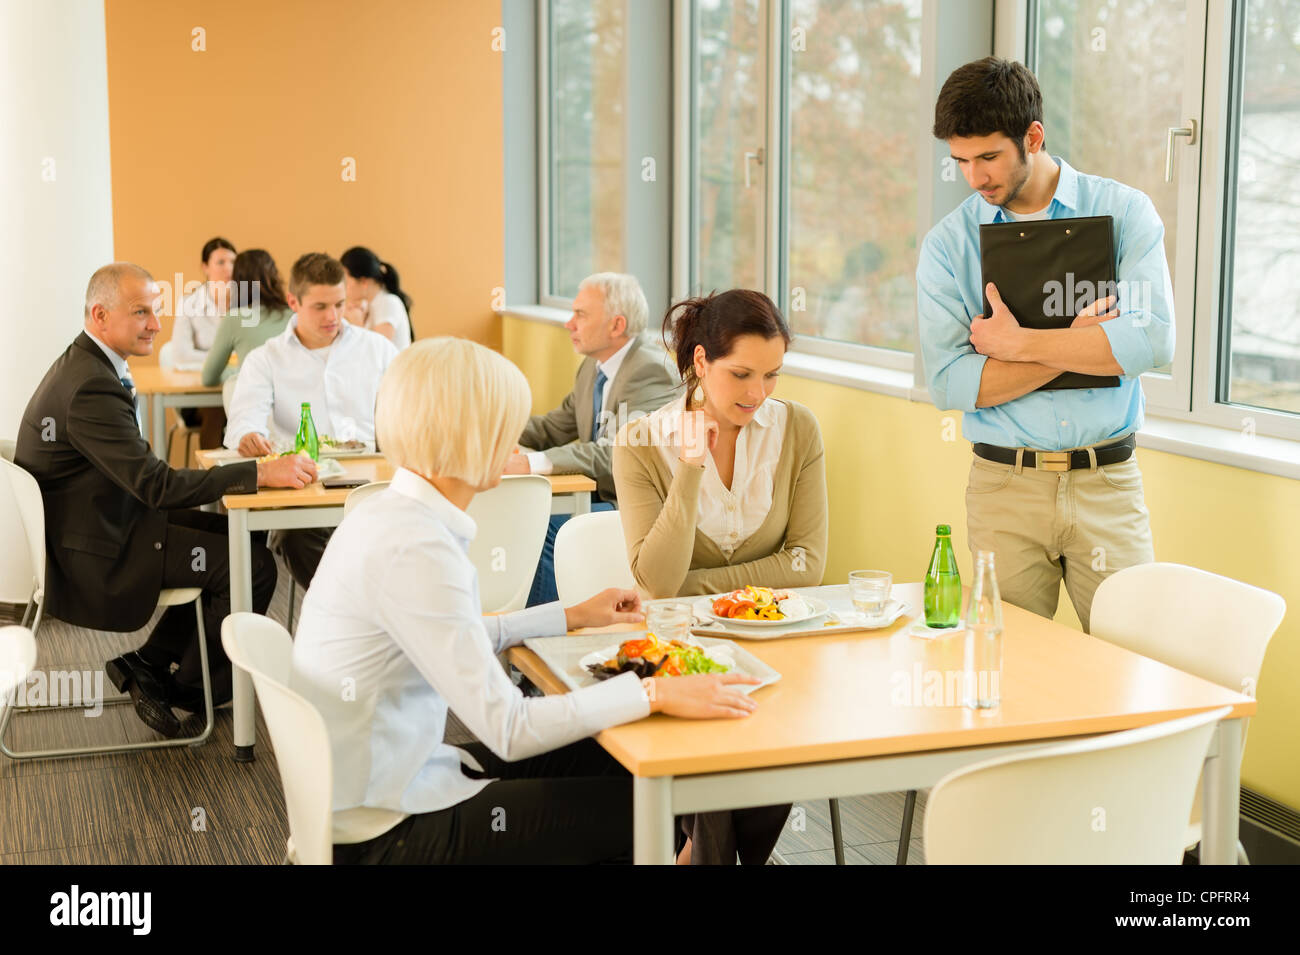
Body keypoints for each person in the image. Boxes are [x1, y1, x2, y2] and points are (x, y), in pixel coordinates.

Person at [292, 337, 761, 864]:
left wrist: (571, 614)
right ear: (472, 436)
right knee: (651, 804)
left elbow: (456, 634)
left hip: (379, 786)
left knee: (613, 757)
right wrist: (653, 693)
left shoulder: (389, 515)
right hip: (388, 833)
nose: (512, 439)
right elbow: (509, 729)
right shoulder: (417, 548)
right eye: (504, 425)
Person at [917, 57, 1173, 633]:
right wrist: (1079, 343)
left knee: (1131, 667)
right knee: (1003, 670)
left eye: (988, 157)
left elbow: (1151, 341)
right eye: (960, 161)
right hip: (1003, 489)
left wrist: (1014, 344)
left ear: (1032, 137)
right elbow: (952, 385)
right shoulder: (946, 246)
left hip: (1108, 482)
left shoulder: (1125, 214)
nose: (974, 178)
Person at [13, 263, 317, 737]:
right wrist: (258, 472)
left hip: (101, 528)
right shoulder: (90, 385)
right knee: (251, 567)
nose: (156, 323)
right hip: (95, 557)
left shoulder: (89, 365)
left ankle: (149, 666)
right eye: (141, 312)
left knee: (239, 549)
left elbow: (147, 481)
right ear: (100, 315)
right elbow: (154, 485)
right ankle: (186, 690)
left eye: (156, 309)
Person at [613, 289, 828, 864]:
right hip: (682, 650)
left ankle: (696, 858)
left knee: (776, 710)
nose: (757, 394)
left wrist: (700, 587)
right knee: (720, 711)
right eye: (741, 374)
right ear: (701, 361)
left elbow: (808, 564)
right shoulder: (640, 441)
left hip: (779, 649)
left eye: (772, 376)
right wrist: (688, 469)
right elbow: (658, 579)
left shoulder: (799, 430)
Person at [225, 252, 398, 591]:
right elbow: (246, 419)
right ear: (293, 301)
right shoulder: (266, 359)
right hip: (305, 492)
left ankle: (366, 619)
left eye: (339, 304)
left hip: (373, 488)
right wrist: (248, 435)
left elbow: (412, 412)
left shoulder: (378, 349)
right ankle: (353, 615)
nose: (333, 316)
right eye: (320, 307)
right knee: (293, 537)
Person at [506, 273, 681, 607]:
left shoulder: (650, 371)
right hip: (595, 495)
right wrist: (488, 429)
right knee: (519, 512)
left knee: (542, 523)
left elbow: (615, 454)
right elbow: (553, 428)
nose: (569, 324)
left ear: (616, 326)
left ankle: (545, 634)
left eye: (581, 315)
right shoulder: (594, 366)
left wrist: (529, 462)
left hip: (635, 507)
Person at [173, 237, 236, 448]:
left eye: (233, 262)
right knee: (216, 407)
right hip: (200, 395)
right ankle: (214, 477)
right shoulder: (189, 303)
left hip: (237, 387)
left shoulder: (246, 304)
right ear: (205, 267)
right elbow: (181, 354)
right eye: (220, 262)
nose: (228, 268)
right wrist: (223, 359)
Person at [200, 249, 294, 387]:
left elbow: (208, 379)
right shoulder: (296, 315)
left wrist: (238, 371)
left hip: (256, 401)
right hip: (298, 402)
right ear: (275, 277)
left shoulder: (234, 319)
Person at [340, 246, 413, 349]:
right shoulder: (369, 305)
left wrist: (357, 324)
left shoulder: (388, 302)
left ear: (364, 281)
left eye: (346, 282)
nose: (343, 288)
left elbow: (378, 351)